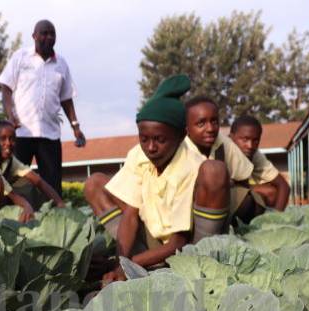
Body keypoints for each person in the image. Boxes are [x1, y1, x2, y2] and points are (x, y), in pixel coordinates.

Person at [83, 75, 231, 282]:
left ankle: (199, 268)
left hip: (189, 247)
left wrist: (128, 266)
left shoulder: (189, 165)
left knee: (214, 170)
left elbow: (178, 243)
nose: (151, 147)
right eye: (144, 139)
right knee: (94, 184)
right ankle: (144, 263)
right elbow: (130, 214)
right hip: (155, 241)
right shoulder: (139, 154)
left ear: (181, 136)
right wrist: (121, 263)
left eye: (160, 140)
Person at [0, 19, 85, 195]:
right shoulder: (20, 57)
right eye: (44, 33)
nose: (48, 37)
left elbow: (66, 98)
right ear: (34, 36)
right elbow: (6, 87)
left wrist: (75, 127)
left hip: (49, 135)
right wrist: (10, 115)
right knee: (13, 183)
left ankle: (53, 219)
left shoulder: (61, 64)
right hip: (22, 133)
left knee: (52, 187)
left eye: (52, 33)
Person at [183, 96, 262, 224]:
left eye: (214, 121)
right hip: (186, 209)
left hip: (220, 208)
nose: (210, 129)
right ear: (186, 128)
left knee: (249, 199)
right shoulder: (180, 149)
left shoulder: (223, 143)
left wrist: (226, 185)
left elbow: (243, 179)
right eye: (201, 123)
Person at [0, 119, 66, 210]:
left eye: (12, 139)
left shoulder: (11, 161)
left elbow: (38, 181)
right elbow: (9, 192)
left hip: (2, 197)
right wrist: (27, 207)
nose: (8, 143)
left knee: (29, 185)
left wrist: (60, 203)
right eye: (3, 138)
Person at [229, 115, 290, 211]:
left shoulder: (254, 154)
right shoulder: (221, 150)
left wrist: (277, 218)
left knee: (271, 192)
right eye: (245, 139)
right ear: (231, 137)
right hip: (218, 196)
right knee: (245, 200)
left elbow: (283, 186)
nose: (250, 145)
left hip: (238, 191)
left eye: (255, 141)